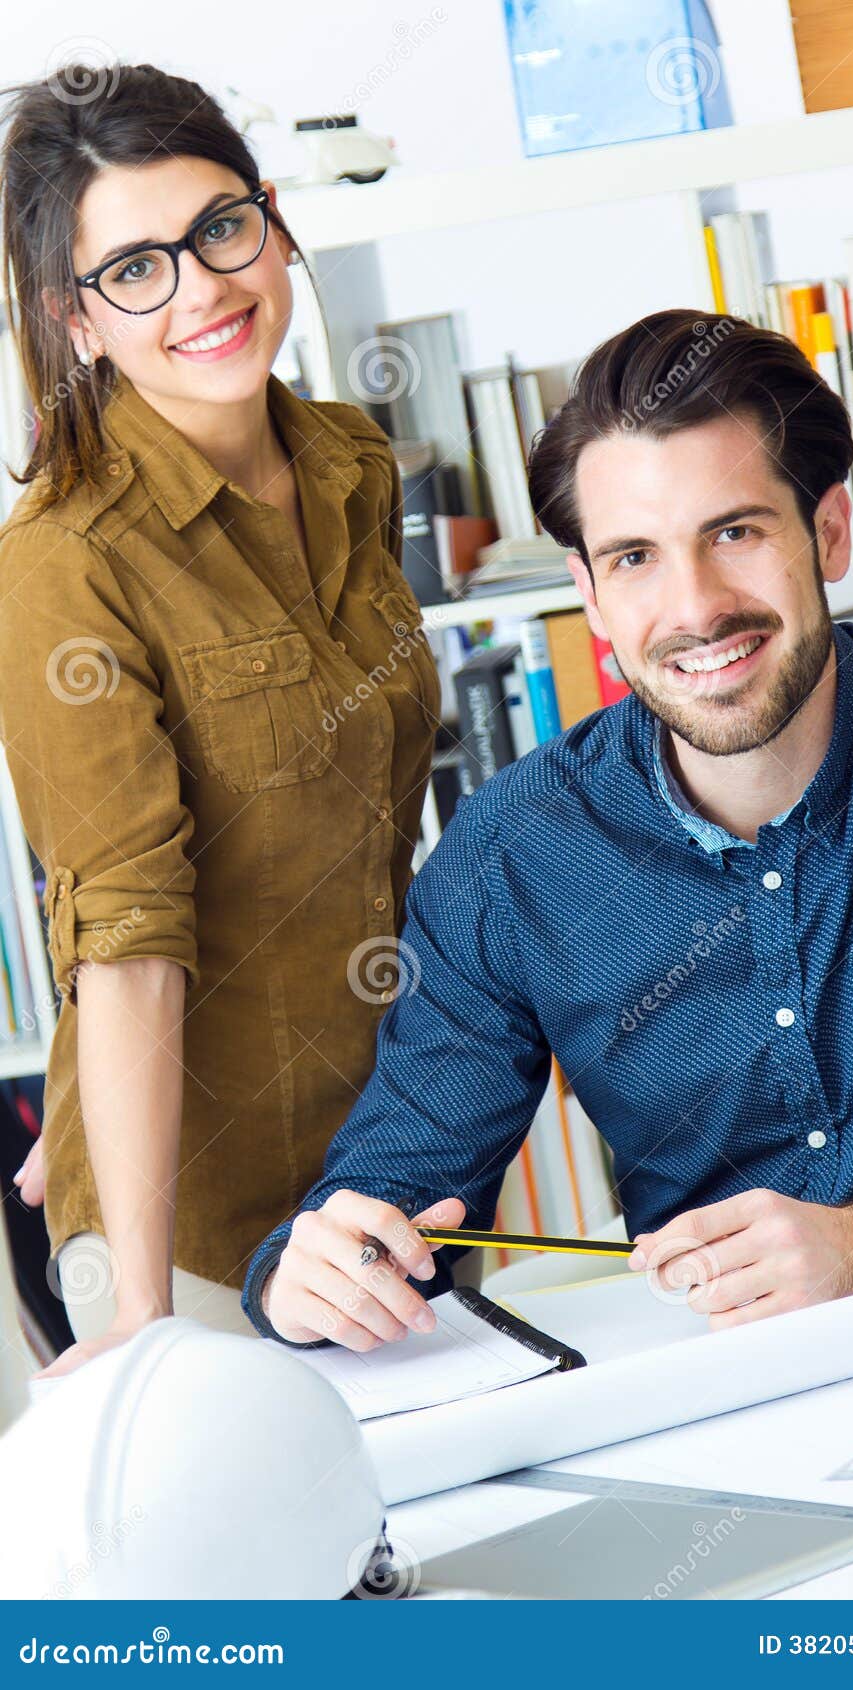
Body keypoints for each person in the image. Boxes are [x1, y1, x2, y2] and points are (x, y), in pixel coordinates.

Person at [243, 305, 853, 1349]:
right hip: (716, 1398)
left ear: (826, 532)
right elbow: (399, 1196)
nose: (697, 607)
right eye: (634, 557)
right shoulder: (507, 856)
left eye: (734, 532)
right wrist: (307, 1275)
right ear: (587, 594)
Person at [0, 62, 440, 1375]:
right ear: (75, 321)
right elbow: (127, 937)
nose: (200, 289)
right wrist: (140, 1311)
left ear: (273, 223)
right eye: (134, 269)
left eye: (218, 229)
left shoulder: (353, 463)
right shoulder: (62, 564)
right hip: (190, 1238)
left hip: (383, 1182)